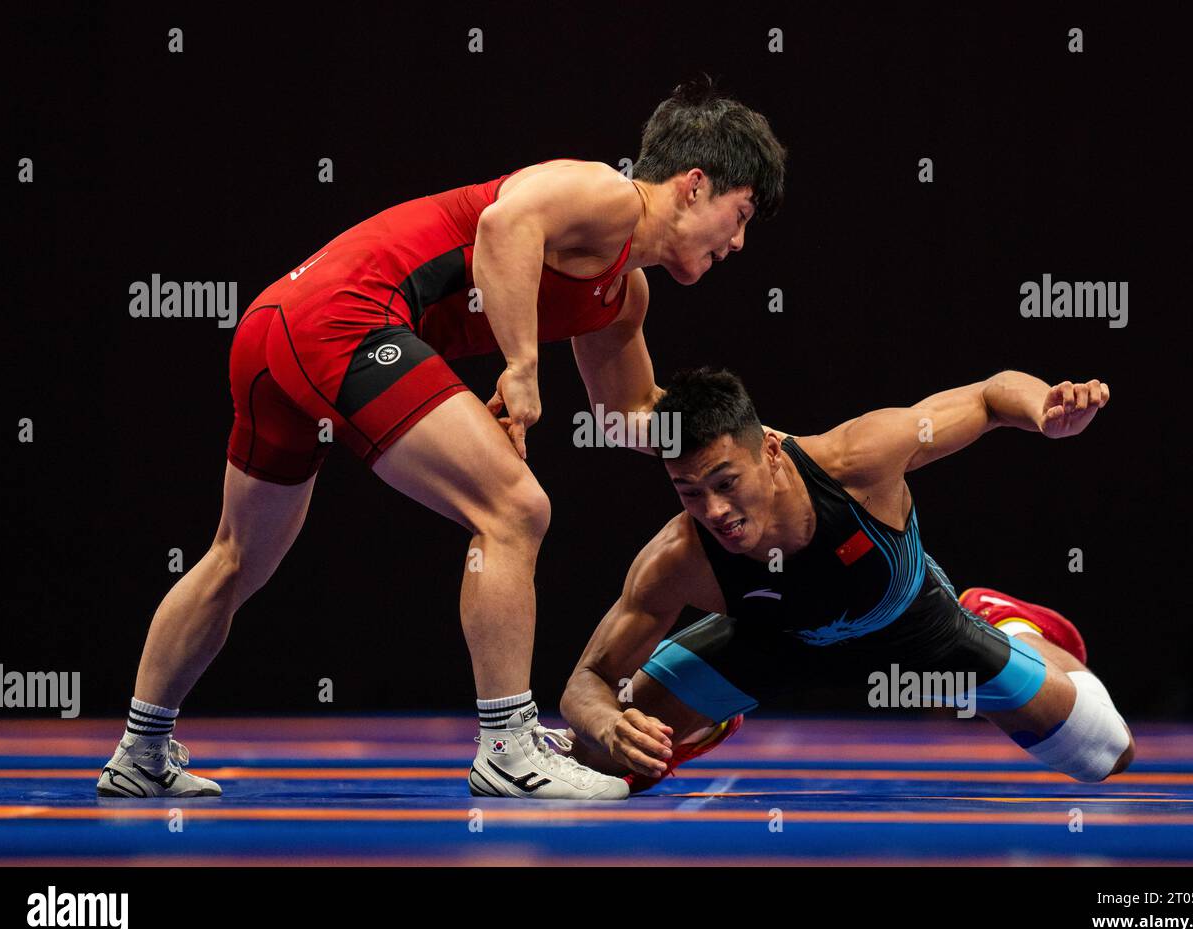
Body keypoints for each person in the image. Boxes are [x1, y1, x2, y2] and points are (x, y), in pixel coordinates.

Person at [97, 78, 787, 801]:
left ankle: (139, 753)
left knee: (237, 558)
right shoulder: (606, 195)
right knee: (515, 509)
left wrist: (752, 442)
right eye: (738, 217)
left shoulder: (622, 297)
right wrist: (521, 367)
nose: (737, 243)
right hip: (340, 319)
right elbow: (503, 227)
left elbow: (629, 415)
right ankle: (508, 747)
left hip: (280, 332)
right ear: (693, 185)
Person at [560, 368, 1134, 791]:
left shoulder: (861, 459)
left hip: (917, 630)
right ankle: (707, 719)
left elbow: (987, 398)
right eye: (689, 492)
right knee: (595, 762)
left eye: (726, 482)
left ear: (771, 451)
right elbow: (589, 678)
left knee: (1106, 753)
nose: (714, 511)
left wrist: (1044, 413)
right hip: (770, 646)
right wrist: (608, 723)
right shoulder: (678, 557)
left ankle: (1006, 622)